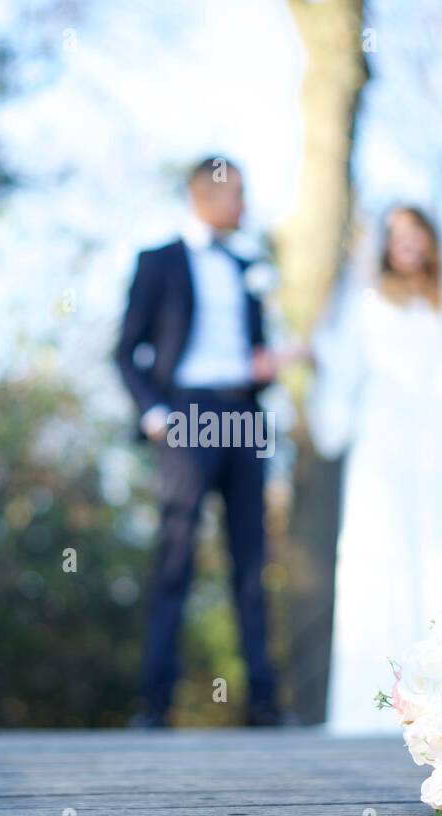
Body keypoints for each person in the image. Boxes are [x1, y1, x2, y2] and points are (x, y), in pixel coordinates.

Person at [307, 205, 442, 735]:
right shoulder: (365, 303)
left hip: (440, 449)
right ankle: (374, 707)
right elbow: (341, 370)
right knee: (381, 560)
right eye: (396, 234)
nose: (406, 242)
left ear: (429, 240)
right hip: (381, 446)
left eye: (415, 232)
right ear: (384, 244)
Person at [114, 156, 292, 729]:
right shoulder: (159, 261)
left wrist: (270, 366)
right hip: (186, 413)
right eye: (235, 193)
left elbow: (256, 349)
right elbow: (127, 350)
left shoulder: (248, 267)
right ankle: (154, 703)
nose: (243, 204)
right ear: (202, 196)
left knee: (250, 560)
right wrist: (154, 413)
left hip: (243, 409)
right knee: (176, 556)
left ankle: (262, 703)